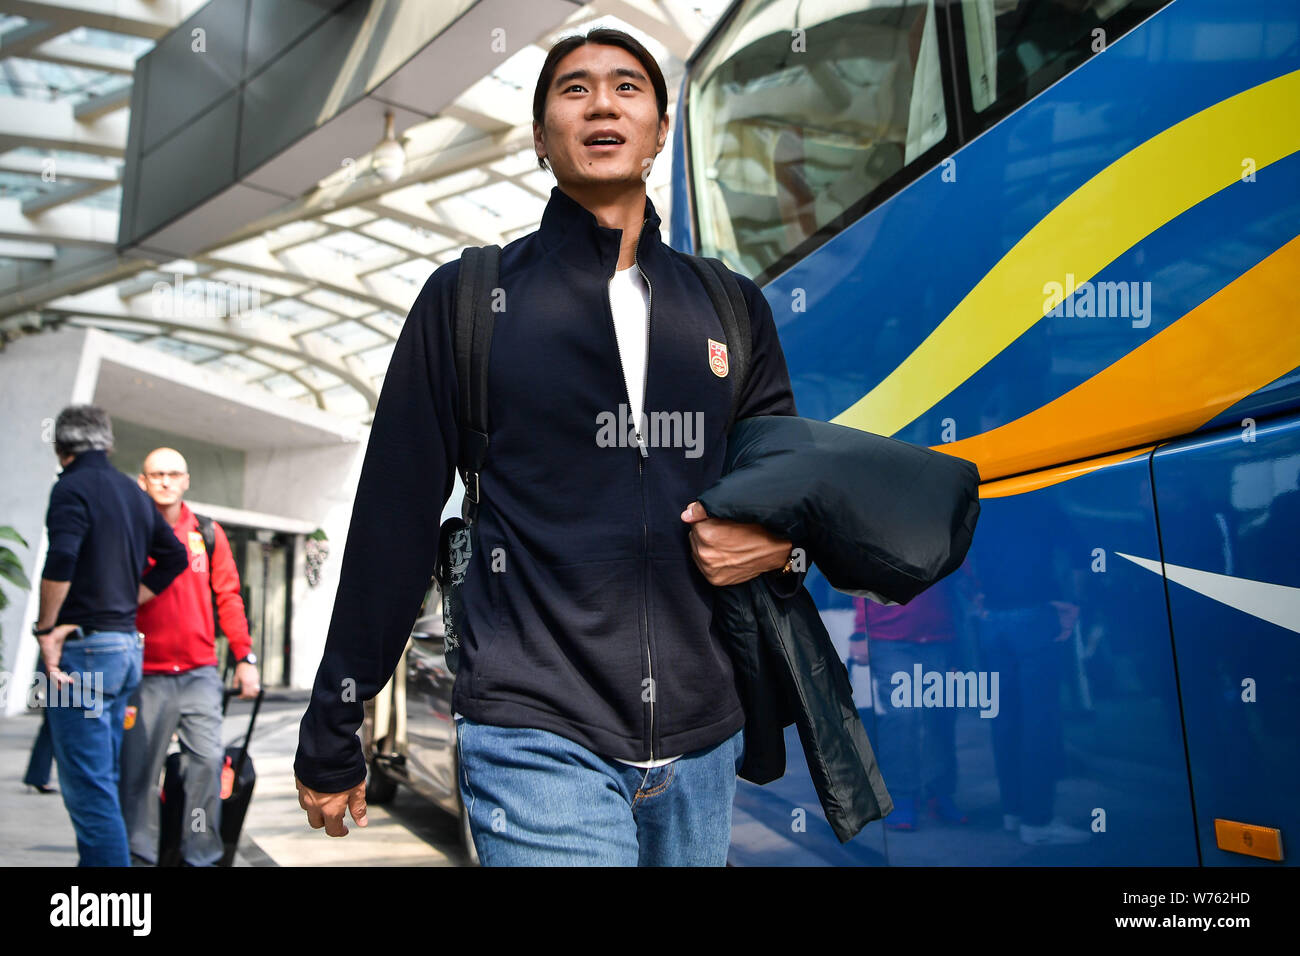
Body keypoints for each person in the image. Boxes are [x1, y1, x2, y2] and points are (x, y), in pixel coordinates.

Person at [295, 27, 806, 865]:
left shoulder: (729, 307)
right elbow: (393, 518)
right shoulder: (470, 300)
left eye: (626, 86)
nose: (602, 101)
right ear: (539, 139)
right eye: (573, 89)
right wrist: (334, 716)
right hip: (534, 726)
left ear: (661, 129)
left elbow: (784, 485)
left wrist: (778, 544)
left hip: (702, 734)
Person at [32, 405, 188, 866]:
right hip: (123, 650)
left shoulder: (70, 488)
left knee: (87, 788)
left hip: (84, 652)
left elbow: (61, 559)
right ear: (108, 445)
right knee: (105, 778)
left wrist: (46, 629)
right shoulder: (131, 491)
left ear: (62, 449)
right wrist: (126, 600)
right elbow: (175, 556)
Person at [119, 447, 260, 867]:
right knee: (137, 775)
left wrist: (245, 660)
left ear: (186, 480)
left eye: (173, 474)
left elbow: (229, 598)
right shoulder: (131, 533)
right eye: (155, 474)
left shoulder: (207, 533)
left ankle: (202, 855)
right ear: (142, 482)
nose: (164, 481)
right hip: (144, 674)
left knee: (207, 766)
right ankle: (140, 855)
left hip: (199, 673)